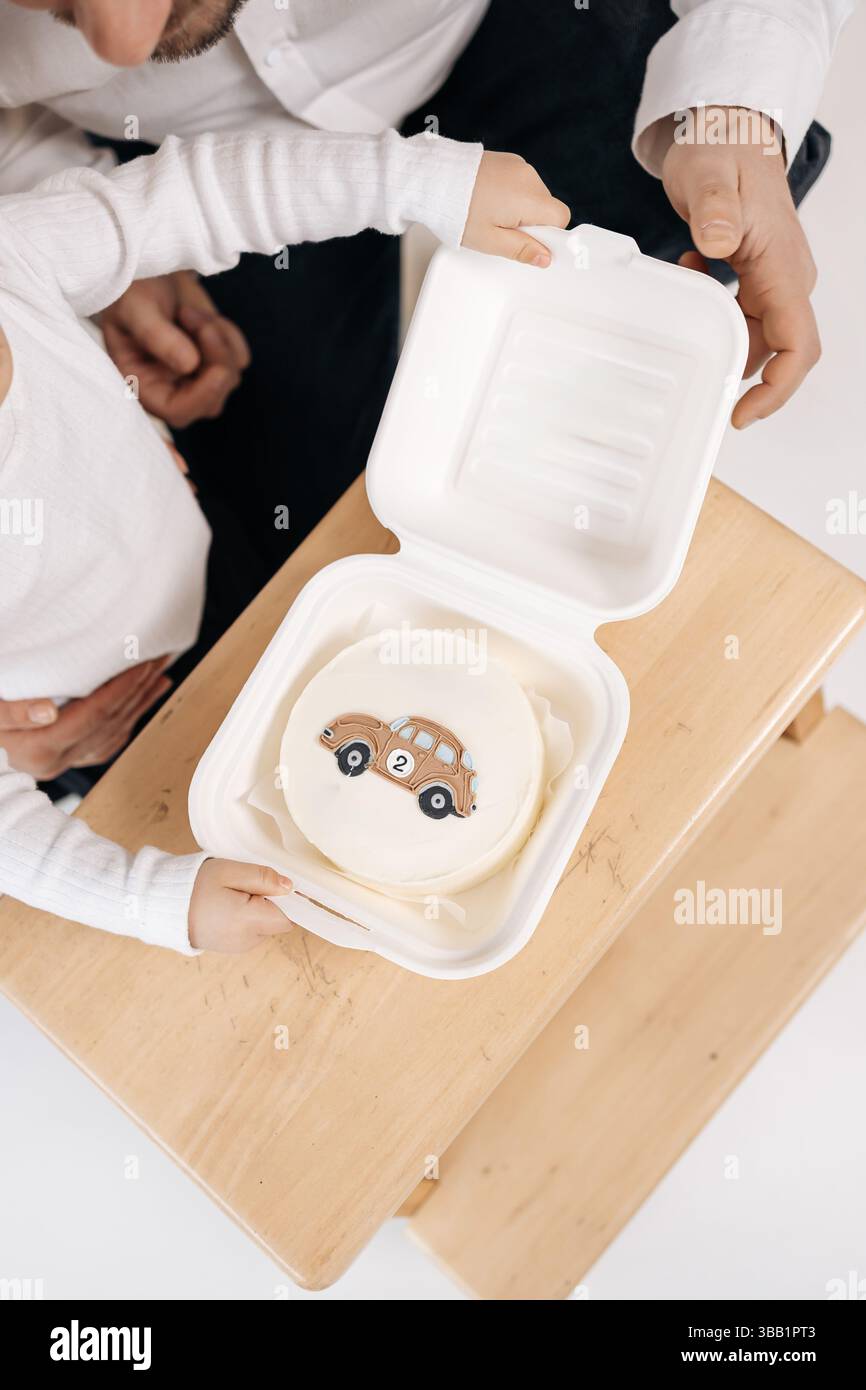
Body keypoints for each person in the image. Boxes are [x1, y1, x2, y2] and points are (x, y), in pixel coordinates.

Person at [0, 0, 854, 776]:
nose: (124, 44)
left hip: (493, 25)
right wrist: (78, 233)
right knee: (294, 577)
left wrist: (734, 114)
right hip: (176, 161)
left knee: (593, 429)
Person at [0, 119, 568, 951]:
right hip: (121, 713)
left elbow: (204, 193)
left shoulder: (14, 250)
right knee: (300, 864)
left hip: (204, 548)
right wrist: (156, 901)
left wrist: (419, 180)